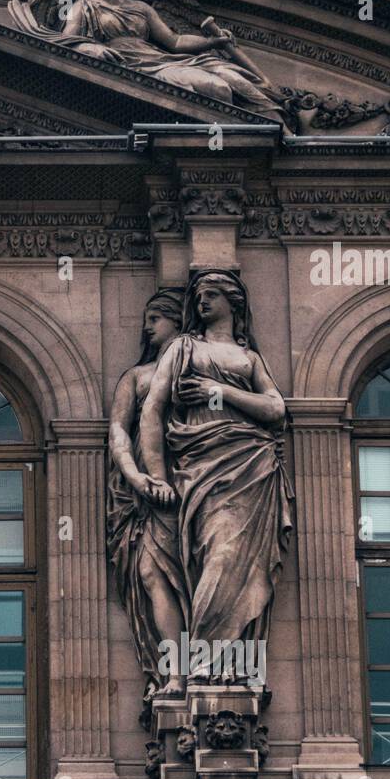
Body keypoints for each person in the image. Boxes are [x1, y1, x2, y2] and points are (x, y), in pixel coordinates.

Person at [139, 269, 294, 692]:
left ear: (233, 302)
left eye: (211, 295)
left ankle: (217, 667)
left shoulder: (250, 359)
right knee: (215, 555)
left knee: (236, 561)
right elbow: (152, 410)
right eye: (199, 296)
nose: (202, 302)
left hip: (251, 465)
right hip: (199, 468)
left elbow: (276, 410)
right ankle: (207, 665)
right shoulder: (182, 347)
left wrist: (218, 390)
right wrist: (157, 476)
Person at [50, 0, 286, 123]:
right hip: (129, 67)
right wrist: (89, 48)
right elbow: (66, 42)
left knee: (231, 78)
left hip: (159, 63)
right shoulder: (83, 6)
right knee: (216, 89)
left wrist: (213, 42)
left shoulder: (141, 8)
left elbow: (175, 41)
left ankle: (281, 130)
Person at [107, 288, 188, 722]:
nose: (147, 325)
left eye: (157, 317)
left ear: (178, 320)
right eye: (146, 318)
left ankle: (209, 672)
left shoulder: (200, 369)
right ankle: (174, 672)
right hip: (150, 497)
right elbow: (119, 432)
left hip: (199, 488)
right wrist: (137, 478)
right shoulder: (136, 378)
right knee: (152, 573)